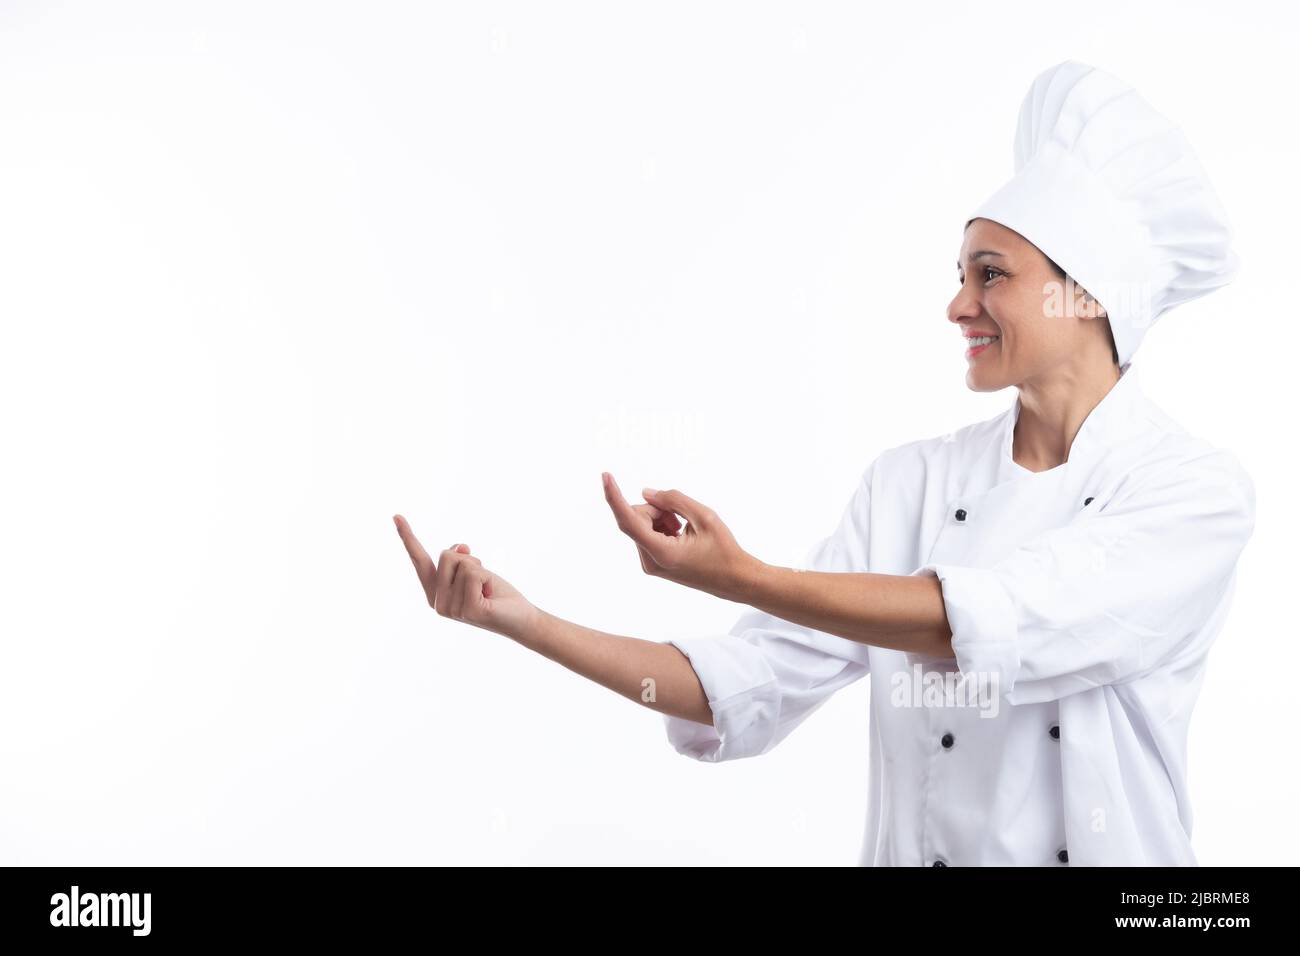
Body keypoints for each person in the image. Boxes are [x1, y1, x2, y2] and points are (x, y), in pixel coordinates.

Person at [393, 60, 1255, 866]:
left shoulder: (1193, 496)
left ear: (1090, 293)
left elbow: (996, 624)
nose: (958, 305)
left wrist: (744, 575)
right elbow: (746, 682)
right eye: (959, 274)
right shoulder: (911, 484)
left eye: (989, 275)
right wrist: (523, 619)